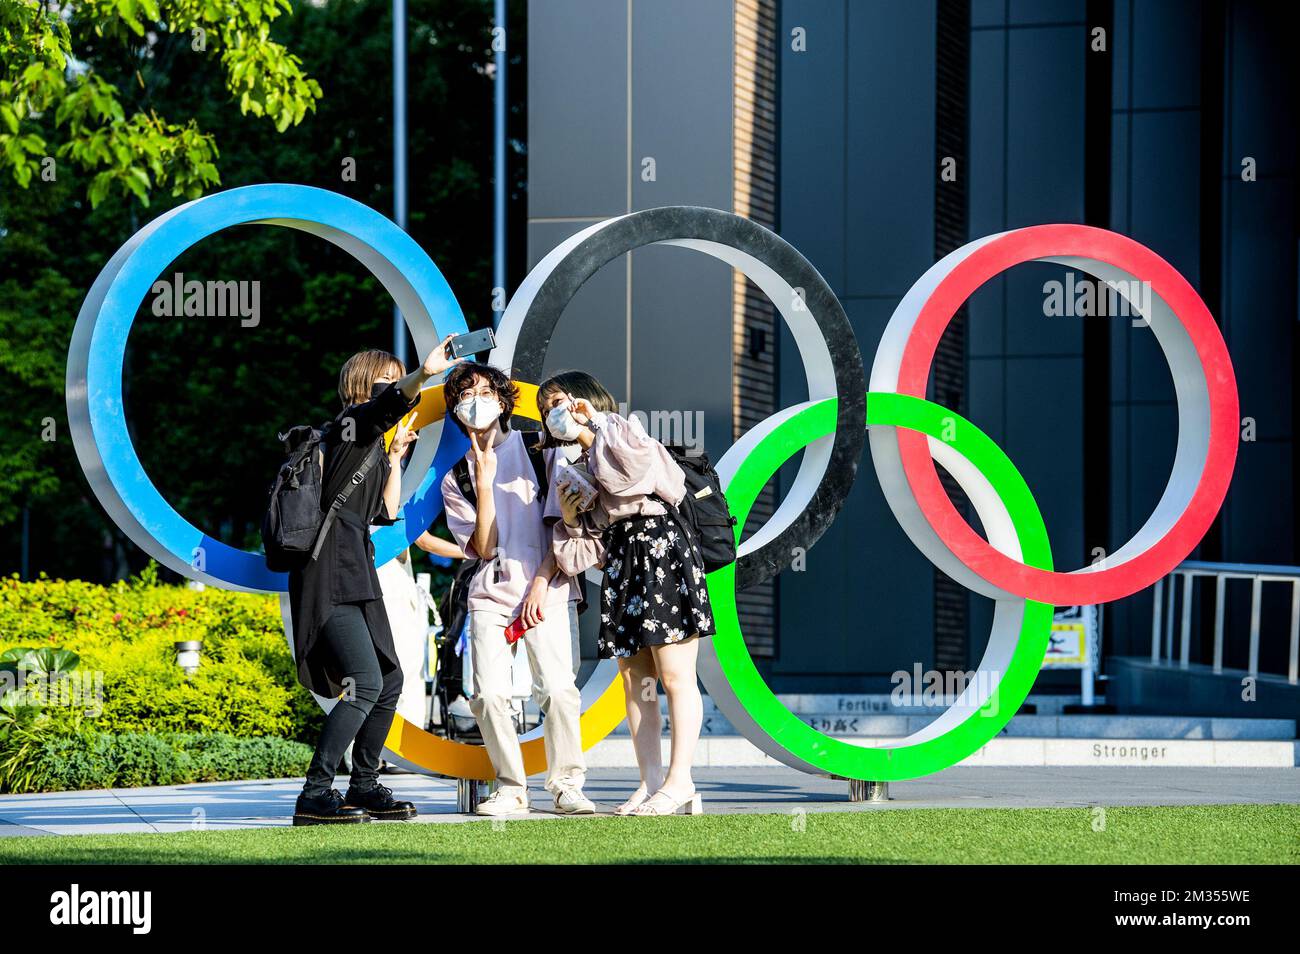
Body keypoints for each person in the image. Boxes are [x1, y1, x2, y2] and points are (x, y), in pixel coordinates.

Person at [288, 338, 462, 825]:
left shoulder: (369, 443)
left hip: (357, 568)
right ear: (366, 387)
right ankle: (315, 794)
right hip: (329, 572)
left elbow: (387, 512)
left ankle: (363, 785)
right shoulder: (346, 429)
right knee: (365, 683)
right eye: (389, 380)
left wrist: (394, 458)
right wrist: (423, 375)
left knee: (389, 681)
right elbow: (388, 405)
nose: (398, 388)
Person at [539, 371, 714, 816]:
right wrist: (570, 516)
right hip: (621, 558)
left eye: (560, 401)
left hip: (661, 546)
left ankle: (681, 781)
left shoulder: (623, 431)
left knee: (675, 675)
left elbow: (642, 476)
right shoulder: (571, 465)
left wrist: (595, 423)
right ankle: (651, 781)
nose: (554, 413)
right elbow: (579, 554)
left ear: (586, 399)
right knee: (637, 681)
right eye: (547, 409)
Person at [439, 363, 595, 817]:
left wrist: (540, 585)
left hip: (547, 589)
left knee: (559, 691)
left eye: (487, 391)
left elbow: (564, 529)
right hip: (490, 595)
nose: (477, 400)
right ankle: (511, 787)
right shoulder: (458, 478)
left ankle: (567, 784)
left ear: (505, 400)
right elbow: (484, 548)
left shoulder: (540, 451)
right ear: (456, 410)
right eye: (466, 394)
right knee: (487, 695)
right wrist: (484, 483)